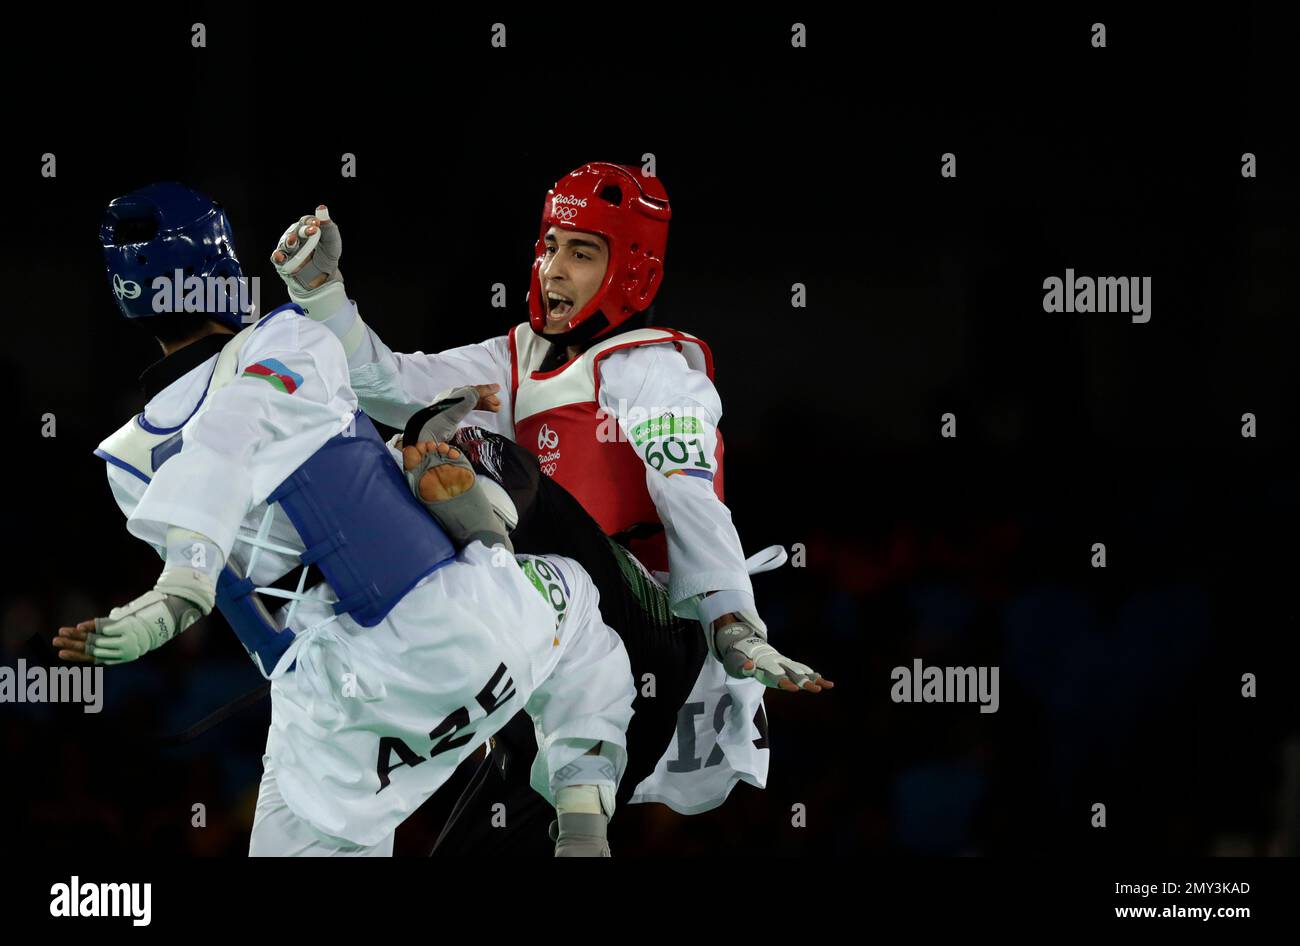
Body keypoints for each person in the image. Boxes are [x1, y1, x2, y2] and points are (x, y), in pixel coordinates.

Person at [54, 182, 635, 856]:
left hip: (335, 725)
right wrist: (179, 591)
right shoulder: (292, 336)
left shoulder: (124, 466)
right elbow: (230, 431)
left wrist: (182, 583)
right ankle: (583, 821)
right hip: (460, 634)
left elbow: (240, 456)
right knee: (577, 597)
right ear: (224, 268)